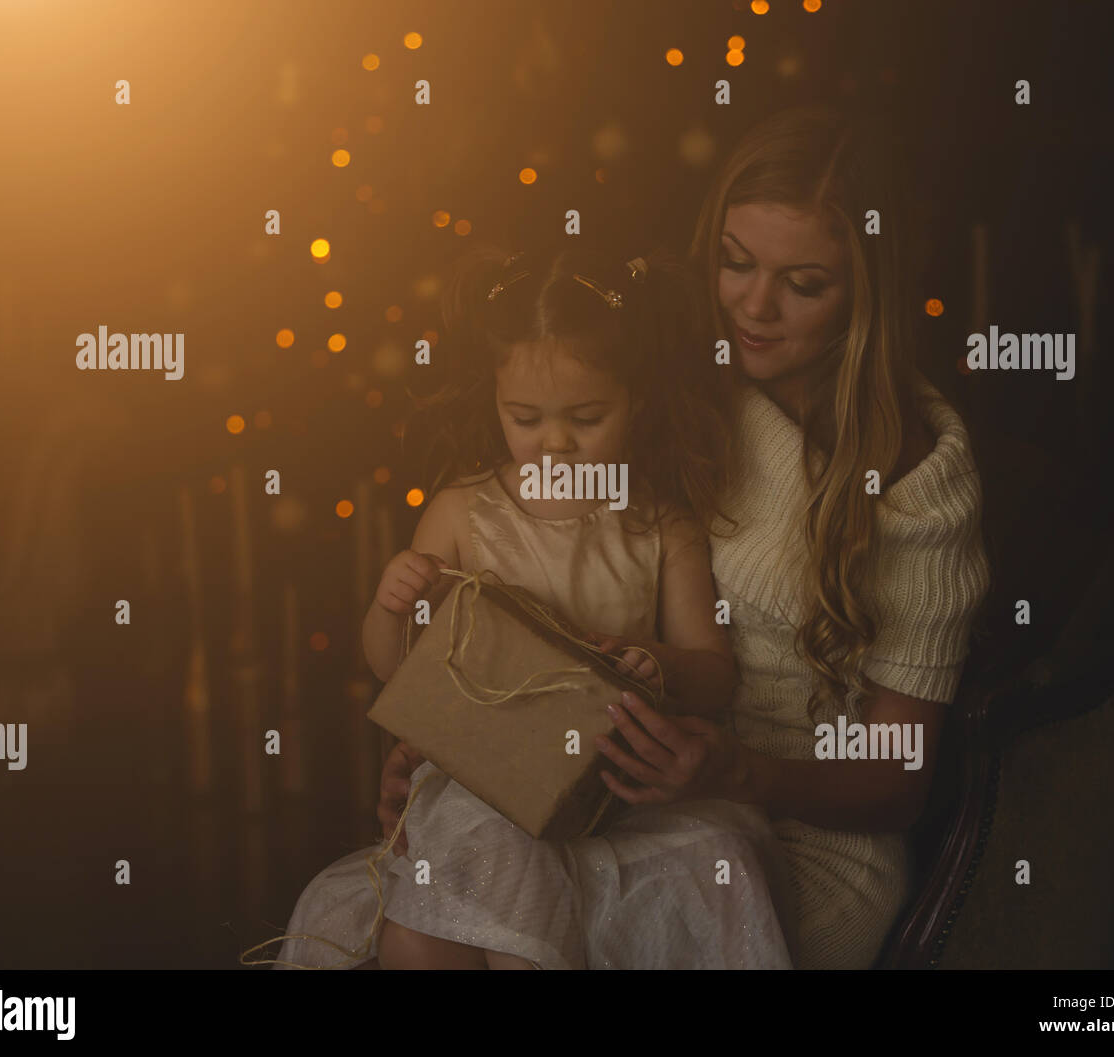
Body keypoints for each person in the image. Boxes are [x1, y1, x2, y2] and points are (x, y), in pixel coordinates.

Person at [373, 103, 993, 970]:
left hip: (797, 827)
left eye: (803, 284)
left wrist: (736, 773)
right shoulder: (671, 383)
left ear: (868, 291)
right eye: (734, 263)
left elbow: (899, 781)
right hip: (615, 780)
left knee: (527, 919)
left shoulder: (918, 488)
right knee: (445, 900)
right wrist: (466, 749)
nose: (753, 306)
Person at [268, 239, 797, 970]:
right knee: (422, 934)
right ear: (494, 400)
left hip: (611, 796)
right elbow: (402, 672)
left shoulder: (658, 524)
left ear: (635, 400)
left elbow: (715, 671)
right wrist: (393, 608)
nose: (556, 443)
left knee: (602, 915)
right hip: (483, 786)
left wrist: (661, 665)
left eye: (586, 417)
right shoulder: (461, 511)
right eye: (525, 417)